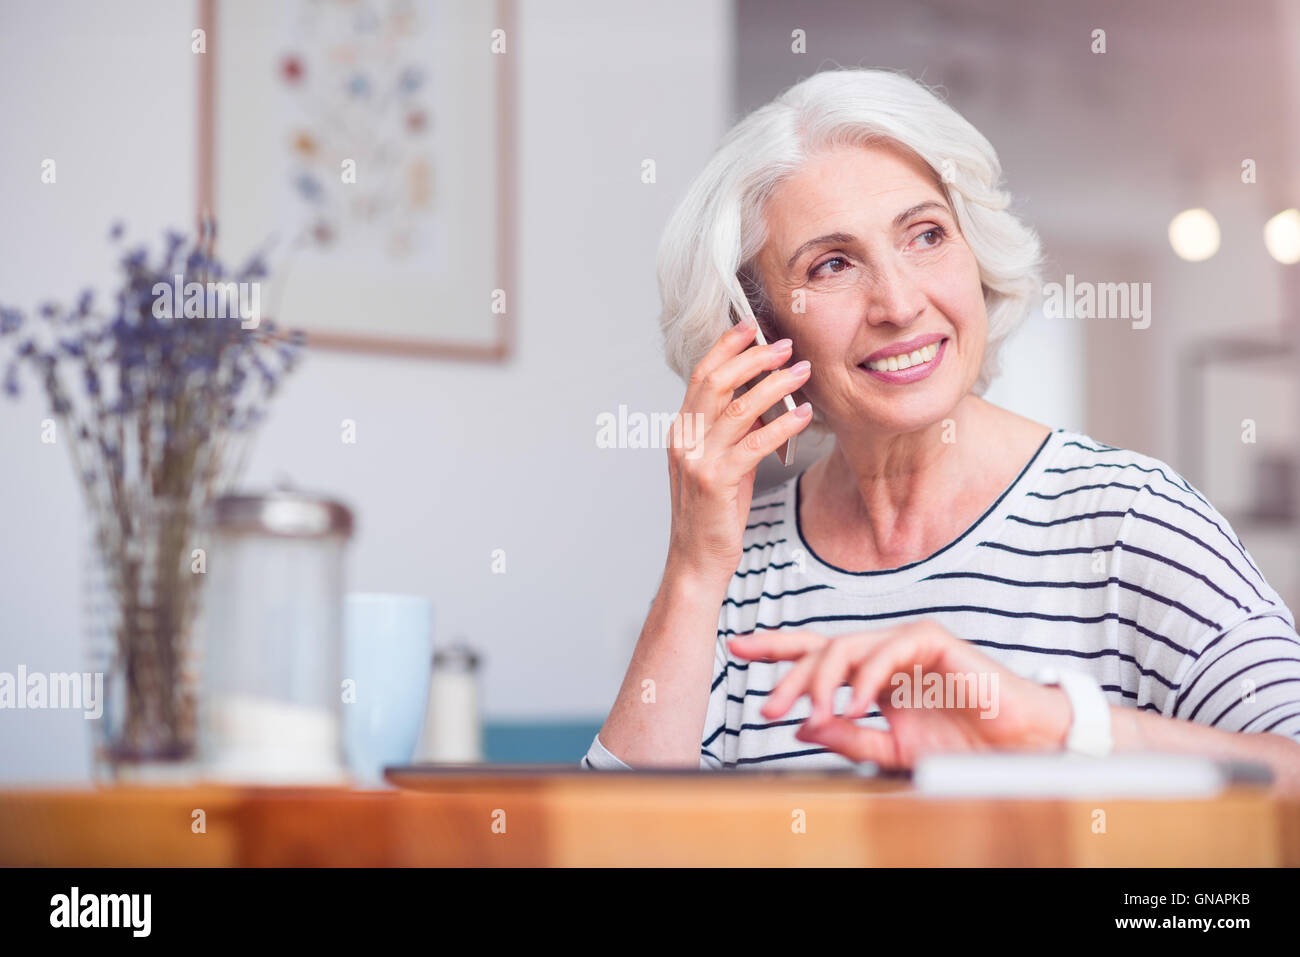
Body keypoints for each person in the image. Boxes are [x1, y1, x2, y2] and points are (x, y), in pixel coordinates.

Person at [583, 68, 1300, 792]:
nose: (898, 302)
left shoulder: (1132, 518)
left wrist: (1056, 728)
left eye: (925, 235)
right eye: (832, 264)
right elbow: (610, 847)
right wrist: (693, 568)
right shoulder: (729, 568)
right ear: (759, 330)